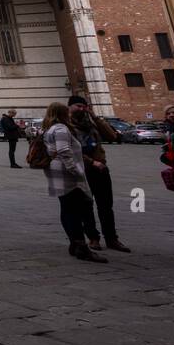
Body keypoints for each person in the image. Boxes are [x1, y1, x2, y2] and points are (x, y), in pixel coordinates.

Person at [43, 102, 106, 262]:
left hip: (56, 171)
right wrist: (76, 171)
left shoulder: (49, 129)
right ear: (63, 114)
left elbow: (52, 150)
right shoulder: (61, 128)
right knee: (75, 210)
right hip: (67, 174)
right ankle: (81, 247)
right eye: (67, 112)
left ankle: (74, 244)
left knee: (67, 209)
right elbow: (64, 151)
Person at [69, 95, 128, 252]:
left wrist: (95, 116)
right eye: (78, 106)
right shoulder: (66, 126)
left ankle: (112, 238)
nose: (82, 109)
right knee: (85, 206)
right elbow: (71, 151)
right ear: (70, 107)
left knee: (106, 205)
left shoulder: (92, 123)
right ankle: (93, 238)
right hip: (81, 170)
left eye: (84, 106)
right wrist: (91, 162)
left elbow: (112, 136)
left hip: (100, 169)